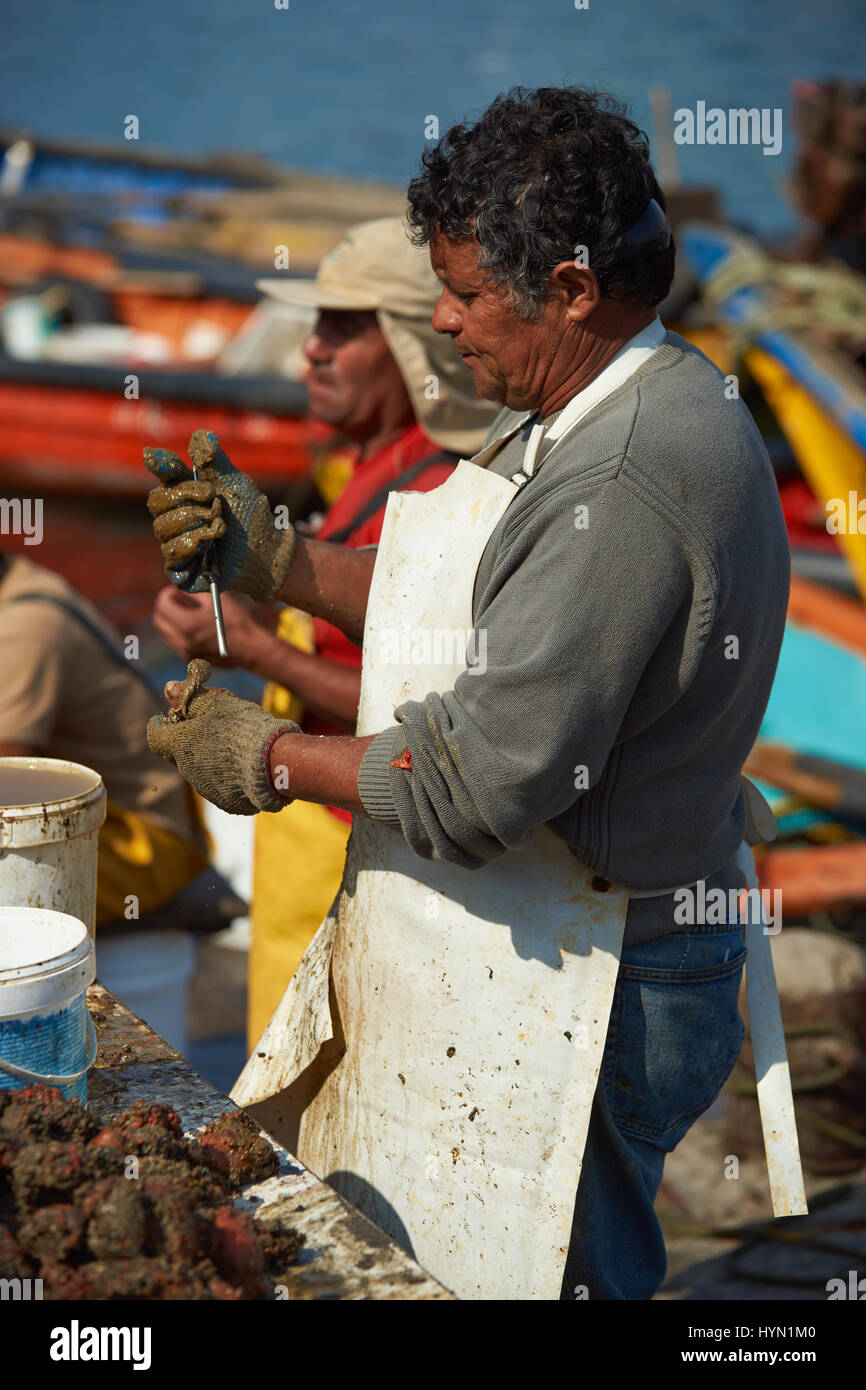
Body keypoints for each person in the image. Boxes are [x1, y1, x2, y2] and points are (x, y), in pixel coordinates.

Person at [142, 86, 800, 1300]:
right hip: (597, 939)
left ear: (567, 286)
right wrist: (276, 555)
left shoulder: (629, 470)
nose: (441, 323)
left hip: (612, 983)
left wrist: (270, 757)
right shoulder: (623, 393)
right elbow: (479, 597)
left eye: (464, 293)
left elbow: (471, 779)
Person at [151, 216, 498, 1048]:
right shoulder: (359, 471)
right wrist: (240, 617)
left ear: (414, 348)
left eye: (345, 329)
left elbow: (415, 706)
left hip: (353, 858)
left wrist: (257, 651)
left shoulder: (427, 496)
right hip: (303, 856)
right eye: (316, 326)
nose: (311, 349)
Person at [0, 549, 223, 1051]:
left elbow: (7, 788)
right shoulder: (21, 584)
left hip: (144, 838)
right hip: (106, 816)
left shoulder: (23, 628)